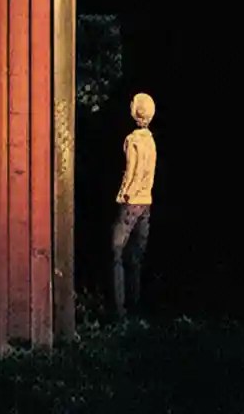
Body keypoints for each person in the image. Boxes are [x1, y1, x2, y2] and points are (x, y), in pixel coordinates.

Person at [110, 92, 158, 320]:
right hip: (146, 201)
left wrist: (124, 194)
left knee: (116, 252)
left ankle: (119, 310)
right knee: (136, 257)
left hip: (132, 201)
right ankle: (135, 306)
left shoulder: (132, 140)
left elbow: (131, 170)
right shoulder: (151, 140)